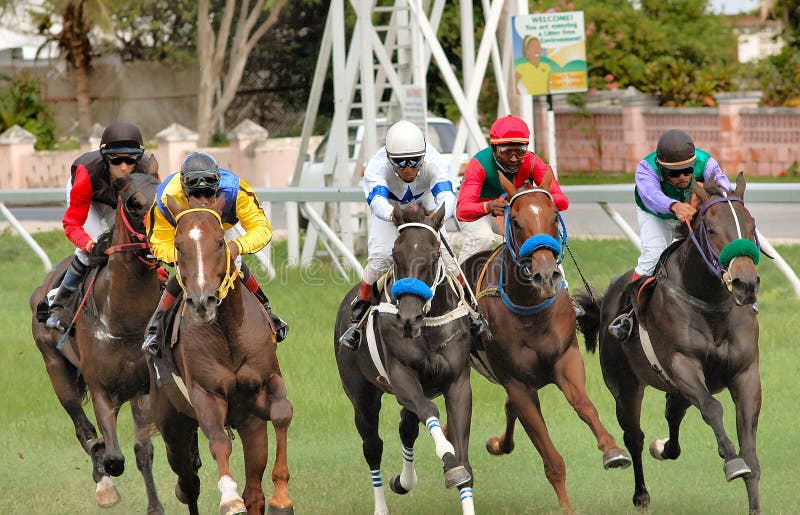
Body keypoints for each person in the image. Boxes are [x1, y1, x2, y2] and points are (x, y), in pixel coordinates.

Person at [339, 120, 486, 350]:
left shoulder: (435, 161)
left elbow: (446, 195)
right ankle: (359, 315)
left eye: (414, 162)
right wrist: (394, 216)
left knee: (447, 258)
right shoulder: (376, 167)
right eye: (400, 163)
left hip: (426, 201)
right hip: (392, 208)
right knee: (380, 256)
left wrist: (437, 217)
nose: (408, 169)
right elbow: (377, 201)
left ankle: (472, 310)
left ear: (423, 157)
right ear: (389, 159)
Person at [141, 151, 288, 353]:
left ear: (218, 186)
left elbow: (262, 228)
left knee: (233, 262)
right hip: (186, 234)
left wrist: (237, 246)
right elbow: (158, 242)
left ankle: (268, 313)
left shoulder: (236, 190)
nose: (203, 200)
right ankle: (156, 326)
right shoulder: (167, 197)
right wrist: (189, 255)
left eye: (209, 194)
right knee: (190, 270)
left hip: (219, 228)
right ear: (184, 190)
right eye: (194, 195)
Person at [608, 129, 732, 339]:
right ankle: (628, 313)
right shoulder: (646, 169)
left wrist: (707, 191)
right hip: (656, 215)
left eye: (687, 170)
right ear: (661, 167)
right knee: (653, 256)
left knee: (717, 247)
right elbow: (652, 195)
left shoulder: (707, 162)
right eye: (674, 173)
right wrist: (673, 205)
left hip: (691, 210)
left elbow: (725, 187)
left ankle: (742, 295)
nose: (682, 177)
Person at [46, 121, 151, 332]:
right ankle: (59, 307)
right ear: (105, 158)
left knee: (139, 244)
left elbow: (149, 216)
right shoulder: (87, 172)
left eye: (130, 160)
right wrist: (90, 245)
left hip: (120, 199)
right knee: (97, 246)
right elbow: (72, 224)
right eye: (117, 160)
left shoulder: (147, 171)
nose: (124, 167)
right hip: (89, 197)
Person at [456, 114, 569, 265]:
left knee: (539, 236)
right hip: (478, 213)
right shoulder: (478, 164)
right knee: (484, 238)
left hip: (509, 212)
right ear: (495, 149)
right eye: (507, 151)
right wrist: (488, 206)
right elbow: (462, 210)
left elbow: (562, 201)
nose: (514, 158)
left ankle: (557, 279)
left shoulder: (533, 161)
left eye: (521, 151)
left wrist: (540, 201)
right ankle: (460, 282)